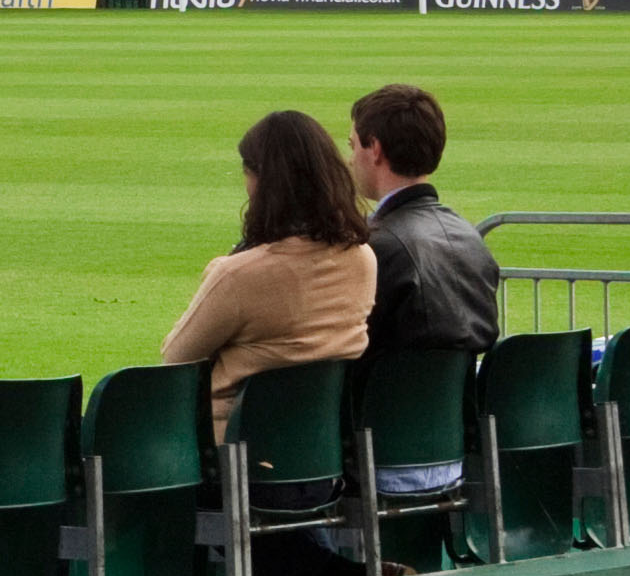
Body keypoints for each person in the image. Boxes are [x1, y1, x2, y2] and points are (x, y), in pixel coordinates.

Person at [162, 108, 377, 442]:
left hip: (233, 456)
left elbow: (176, 356)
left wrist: (218, 274)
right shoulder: (363, 259)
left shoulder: (237, 276)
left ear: (263, 181)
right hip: (321, 453)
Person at [353, 83, 503, 516]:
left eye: (352, 146)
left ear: (374, 149)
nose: (350, 160)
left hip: (378, 461)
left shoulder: (374, 248)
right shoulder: (469, 236)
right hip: (452, 458)